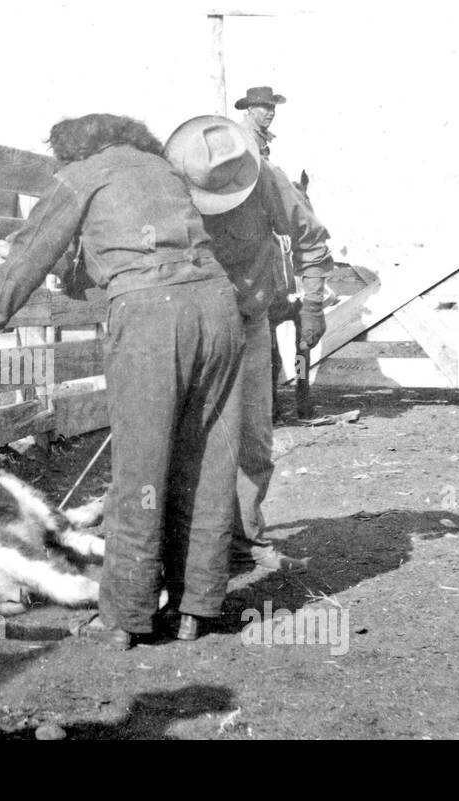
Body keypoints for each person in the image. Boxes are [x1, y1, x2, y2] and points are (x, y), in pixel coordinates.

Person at [0, 113, 245, 647]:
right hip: (218, 305)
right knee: (206, 458)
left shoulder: (83, 174)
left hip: (151, 318)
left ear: (71, 151)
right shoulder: (162, 170)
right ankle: (198, 606)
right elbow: (110, 262)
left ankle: (126, 615)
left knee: (141, 463)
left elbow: (34, 252)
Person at [165, 115, 334, 574]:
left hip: (247, 324)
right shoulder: (167, 183)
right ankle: (182, 552)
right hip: (186, 326)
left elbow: (312, 241)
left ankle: (245, 540)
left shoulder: (267, 181)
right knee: (182, 437)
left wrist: (313, 306)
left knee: (253, 437)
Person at [233, 85, 286, 160]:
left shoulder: (258, 132)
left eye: (273, 107)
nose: (272, 113)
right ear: (250, 109)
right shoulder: (245, 135)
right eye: (266, 107)